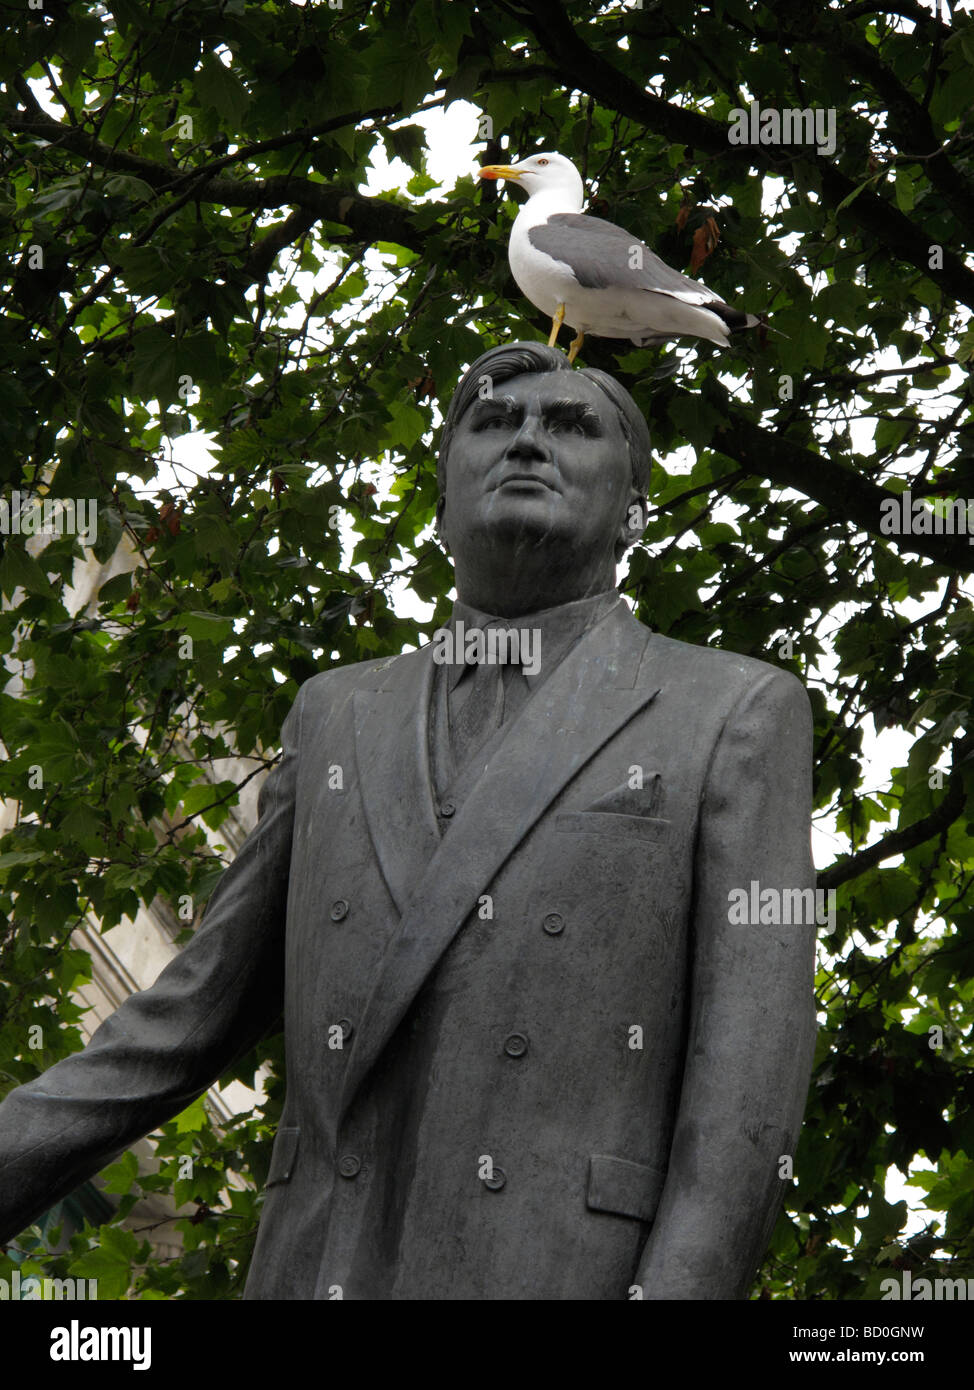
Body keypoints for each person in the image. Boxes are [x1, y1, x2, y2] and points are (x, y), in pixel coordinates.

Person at [0, 342, 817, 1300]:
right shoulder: (335, 713)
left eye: (570, 425)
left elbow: (745, 1092)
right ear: (439, 509)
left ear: (634, 511)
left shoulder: (730, 710)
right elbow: (180, 1022)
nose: (526, 442)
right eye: (493, 423)